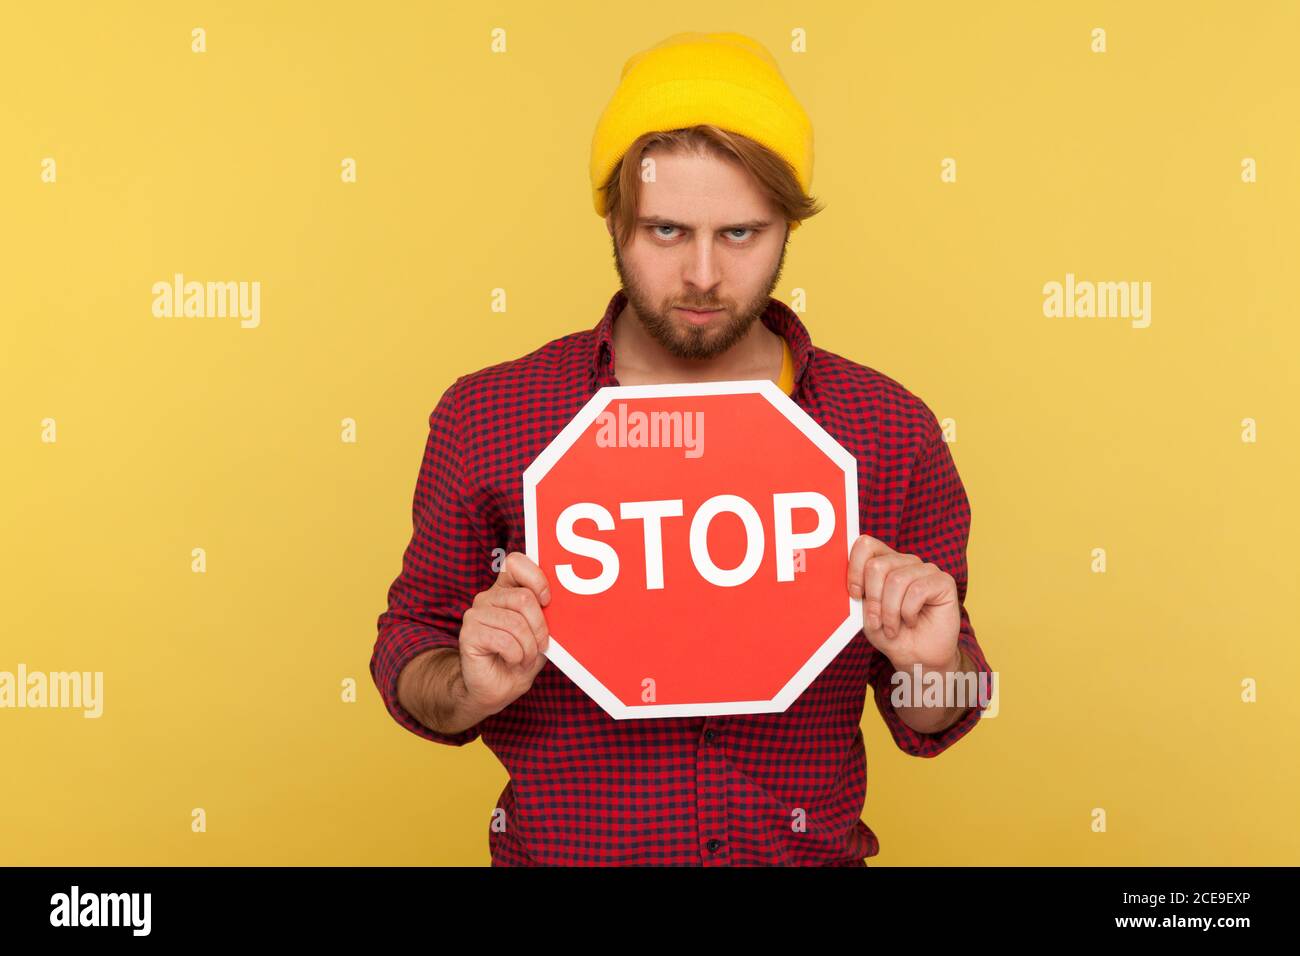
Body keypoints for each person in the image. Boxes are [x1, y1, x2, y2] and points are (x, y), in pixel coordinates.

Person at [370, 31, 994, 866]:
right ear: (615, 219)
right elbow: (411, 644)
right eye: (667, 231)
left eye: (740, 234)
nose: (702, 275)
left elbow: (937, 709)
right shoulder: (491, 417)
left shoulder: (886, 430)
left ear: (786, 229)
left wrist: (935, 664)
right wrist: (469, 682)